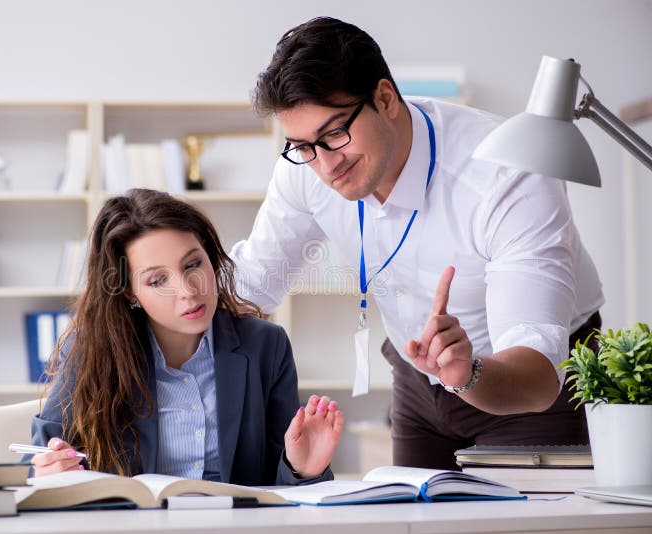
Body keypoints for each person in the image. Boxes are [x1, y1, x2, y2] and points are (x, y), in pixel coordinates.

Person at [230, 17, 604, 471]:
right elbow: (250, 284)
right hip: (418, 376)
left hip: (525, 387)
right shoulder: (305, 164)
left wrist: (470, 372)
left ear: (385, 98)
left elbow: (539, 372)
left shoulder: (505, 174)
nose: (325, 165)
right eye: (303, 145)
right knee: (413, 518)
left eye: (334, 134)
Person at [29, 188, 343, 486]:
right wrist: (49, 469)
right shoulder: (92, 349)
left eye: (193, 264)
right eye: (157, 280)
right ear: (129, 292)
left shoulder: (265, 346)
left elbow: (282, 492)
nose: (188, 291)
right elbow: (37, 461)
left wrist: (301, 468)